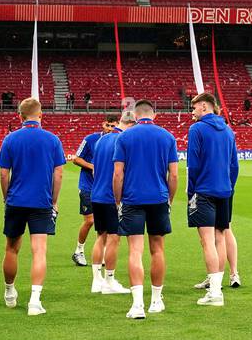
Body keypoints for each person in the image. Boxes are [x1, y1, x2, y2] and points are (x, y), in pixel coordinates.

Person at [0, 98, 65, 317]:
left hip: (16, 201)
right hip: (41, 202)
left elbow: (3, 173)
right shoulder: (53, 140)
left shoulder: (10, 139)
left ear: (20, 116)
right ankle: (34, 301)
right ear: (40, 114)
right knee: (39, 251)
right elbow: (59, 173)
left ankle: (9, 291)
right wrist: (54, 201)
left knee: (11, 249)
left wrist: (6, 198)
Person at [113, 99, 179, 319]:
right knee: (157, 249)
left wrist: (118, 201)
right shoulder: (167, 137)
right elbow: (175, 174)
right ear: (154, 114)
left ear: (134, 115)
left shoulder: (124, 137)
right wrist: (169, 200)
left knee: (135, 250)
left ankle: (137, 305)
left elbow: (118, 174)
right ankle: (156, 300)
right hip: (158, 198)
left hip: (132, 199)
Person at [185, 92, 238, 305]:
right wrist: (229, 187)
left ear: (205, 107)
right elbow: (234, 166)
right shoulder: (228, 130)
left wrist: (191, 193)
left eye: (194, 107)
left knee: (207, 241)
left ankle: (215, 293)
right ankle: (217, 284)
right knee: (220, 237)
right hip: (224, 191)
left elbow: (193, 165)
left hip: (204, 191)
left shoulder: (196, 129)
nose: (192, 111)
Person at [89, 111, 133, 295]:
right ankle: (109, 281)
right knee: (114, 238)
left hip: (97, 193)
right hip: (110, 196)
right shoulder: (123, 141)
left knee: (101, 236)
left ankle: (96, 281)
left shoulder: (101, 140)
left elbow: (94, 170)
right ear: (131, 124)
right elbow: (120, 172)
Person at [70, 116, 116, 267]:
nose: (110, 128)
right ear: (103, 124)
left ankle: (100, 254)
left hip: (105, 188)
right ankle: (79, 251)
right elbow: (76, 158)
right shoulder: (90, 139)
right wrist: (93, 167)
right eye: (108, 125)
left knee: (102, 224)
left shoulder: (118, 141)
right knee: (90, 220)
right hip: (88, 186)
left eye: (113, 126)